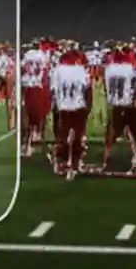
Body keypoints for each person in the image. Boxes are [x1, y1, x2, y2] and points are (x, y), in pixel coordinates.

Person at [50, 46, 92, 180]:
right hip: (78, 107)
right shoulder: (81, 71)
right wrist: (88, 108)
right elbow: (88, 91)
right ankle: (73, 166)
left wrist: (56, 106)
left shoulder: (57, 71)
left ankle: (60, 163)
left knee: (63, 137)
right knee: (77, 138)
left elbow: (52, 91)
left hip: (63, 107)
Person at [101, 45, 136, 172]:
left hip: (116, 105)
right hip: (130, 105)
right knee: (134, 136)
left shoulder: (109, 69)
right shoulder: (132, 68)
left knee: (111, 134)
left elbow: (105, 87)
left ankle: (106, 159)